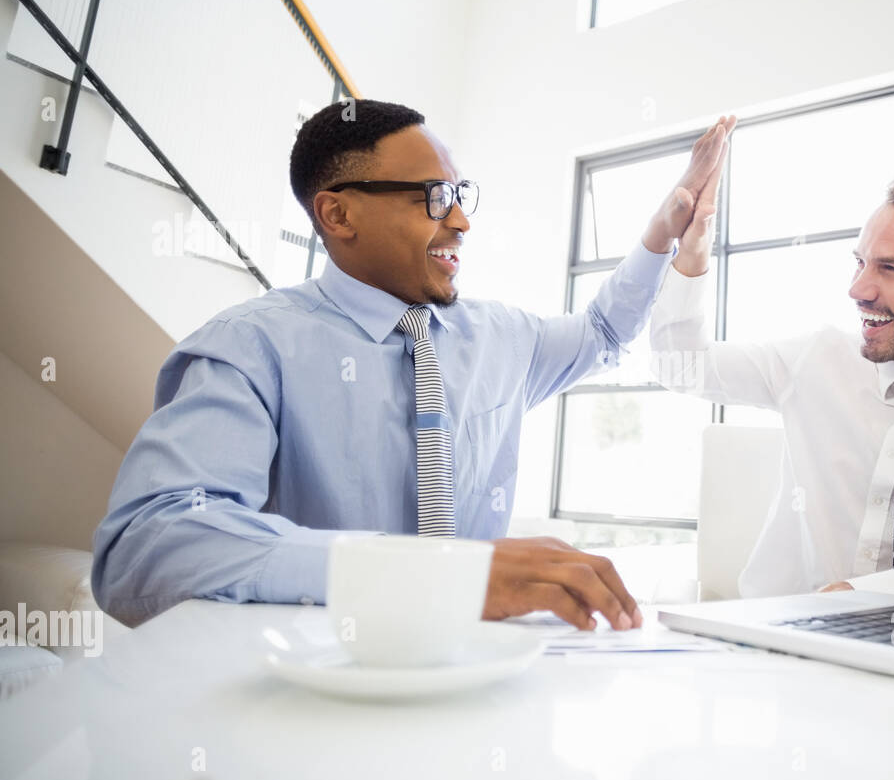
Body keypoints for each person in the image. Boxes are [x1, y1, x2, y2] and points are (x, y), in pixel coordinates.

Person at [92, 98, 736, 630]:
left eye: (459, 195)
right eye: (432, 197)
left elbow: (601, 332)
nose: (460, 221)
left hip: (484, 682)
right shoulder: (249, 348)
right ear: (338, 213)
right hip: (325, 694)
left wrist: (665, 231)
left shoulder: (501, 336)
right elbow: (149, 544)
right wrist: (415, 576)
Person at [649, 167, 894, 597]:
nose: (858, 289)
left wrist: (865, 598)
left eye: (890, 269)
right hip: (784, 641)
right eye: (860, 262)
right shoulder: (816, 360)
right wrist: (692, 248)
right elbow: (680, 366)